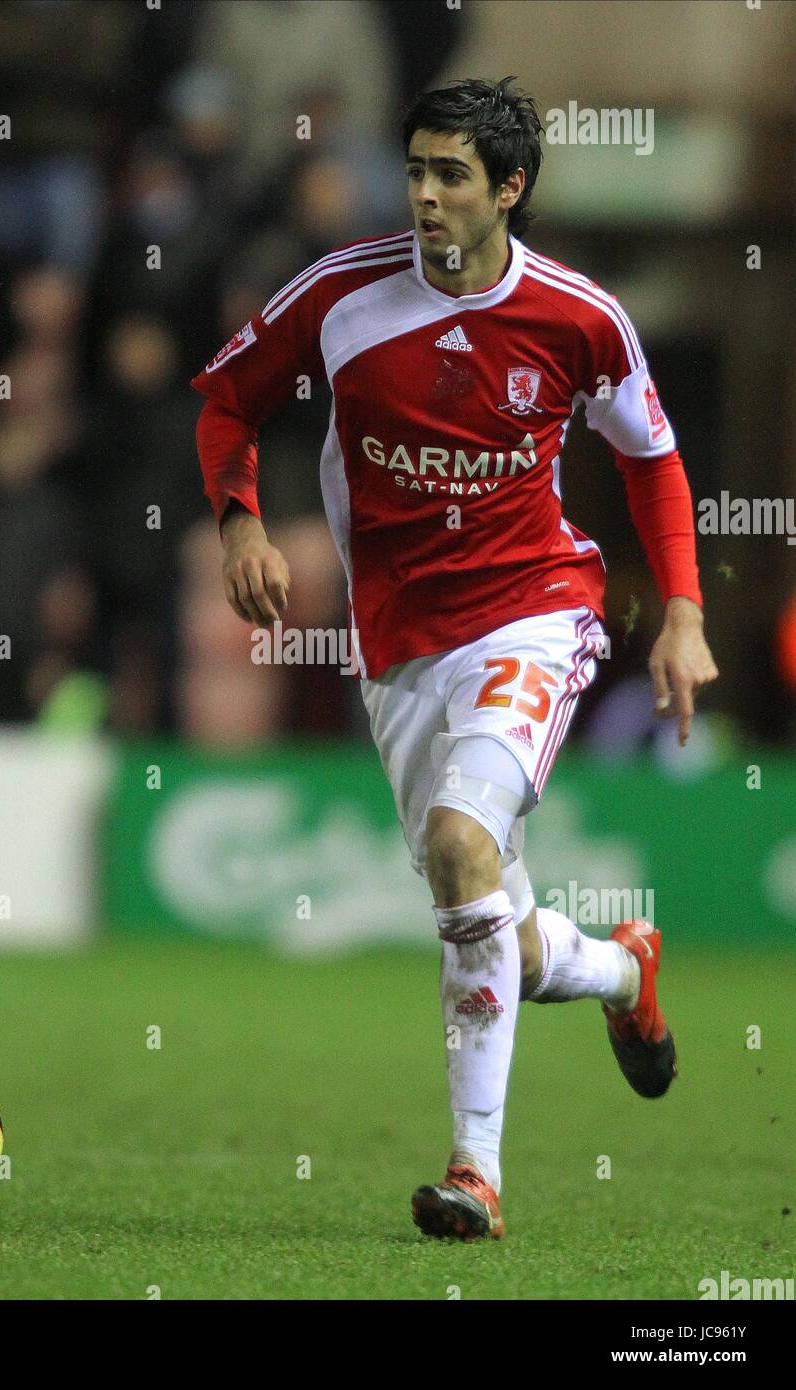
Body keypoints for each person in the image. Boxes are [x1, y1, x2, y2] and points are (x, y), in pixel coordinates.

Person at [190, 77, 718, 1241]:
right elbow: (226, 400)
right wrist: (238, 518)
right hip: (398, 645)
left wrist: (678, 611)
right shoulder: (337, 297)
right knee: (487, 914)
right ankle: (625, 972)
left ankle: (473, 1172)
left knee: (456, 842)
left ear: (508, 190)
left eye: (449, 177)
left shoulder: (579, 317)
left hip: (534, 610)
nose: (422, 195)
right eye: (415, 170)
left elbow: (651, 457)